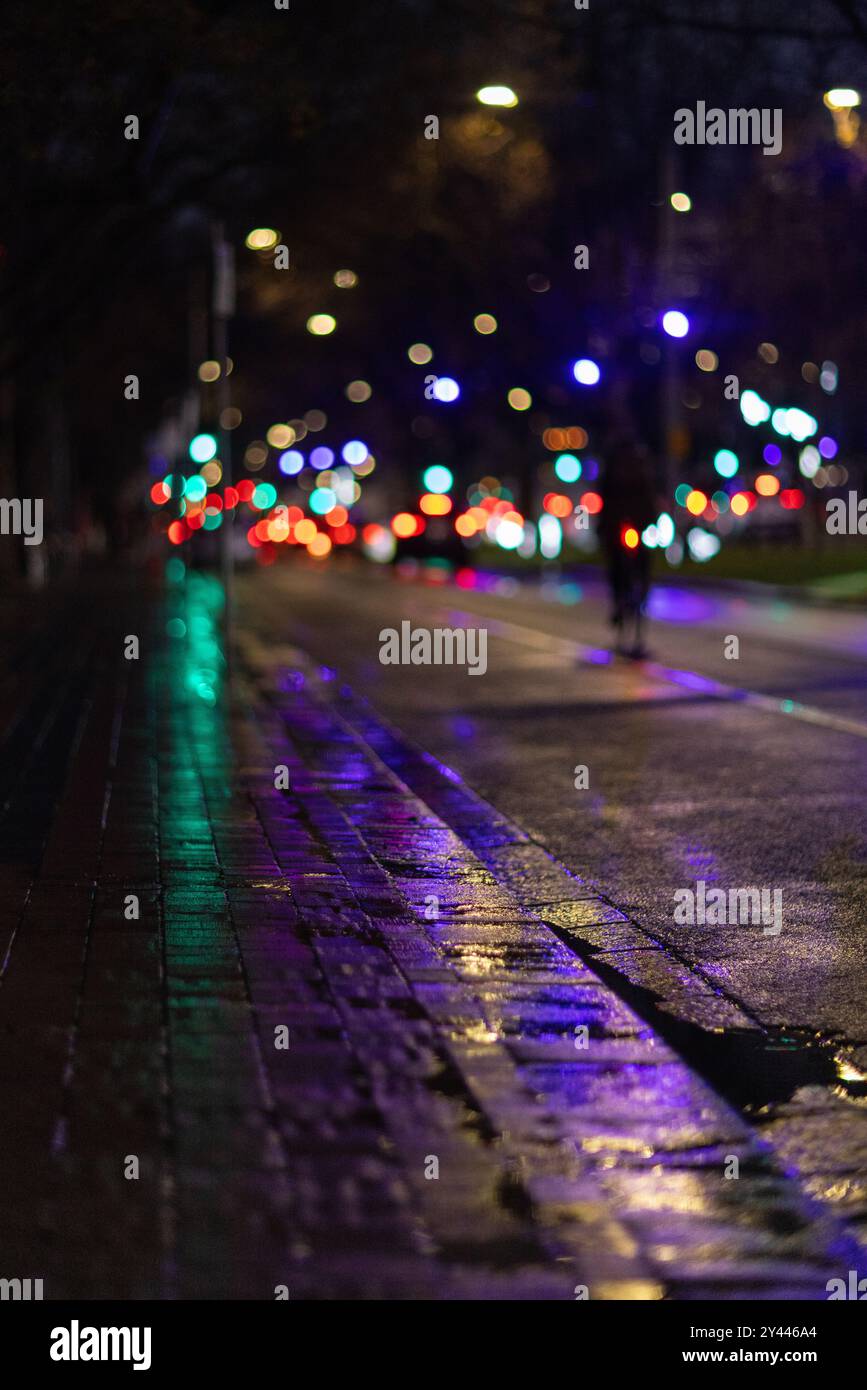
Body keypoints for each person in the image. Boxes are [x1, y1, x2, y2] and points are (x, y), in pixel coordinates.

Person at [596, 428, 658, 658]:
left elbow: (648, 498)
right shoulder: (631, 467)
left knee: (636, 570)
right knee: (622, 569)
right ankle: (623, 605)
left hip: (633, 526)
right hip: (622, 526)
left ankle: (627, 606)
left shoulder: (627, 467)